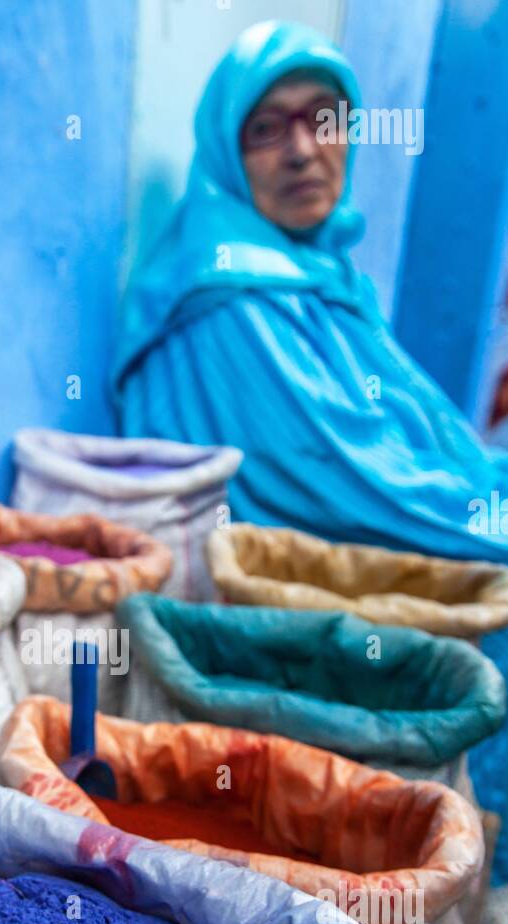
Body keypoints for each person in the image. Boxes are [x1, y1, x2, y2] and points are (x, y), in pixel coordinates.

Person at [114, 20, 508, 563]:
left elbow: (420, 438)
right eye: (266, 129)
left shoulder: (322, 275)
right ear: (226, 151)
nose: (302, 151)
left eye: (326, 119)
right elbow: (363, 492)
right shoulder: (233, 302)